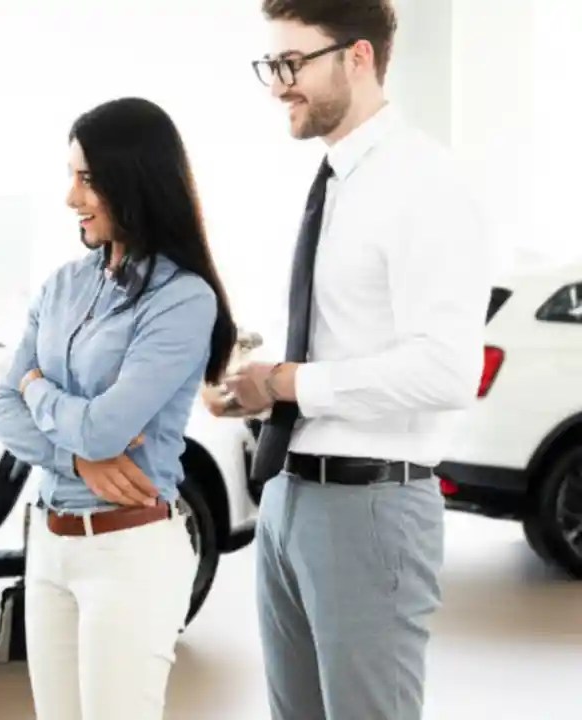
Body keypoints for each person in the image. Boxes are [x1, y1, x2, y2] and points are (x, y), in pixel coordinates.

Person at [225, 2, 495, 718]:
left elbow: (446, 370)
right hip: (288, 495)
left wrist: (293, 383)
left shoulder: (424, 181)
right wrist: (263, 384)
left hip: (370, 506)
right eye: (271, 65)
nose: (279, 84)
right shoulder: (334, 182)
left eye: (292, 63)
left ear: (359, 57)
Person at [0, 97, 237, 720]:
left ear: (136, 181)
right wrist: (77, 459)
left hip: (130, 554)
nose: (71, 197)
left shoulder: (183, 299)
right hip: (48, 543)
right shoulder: (62, 285)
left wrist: (38, 390)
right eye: (71, 176)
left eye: (88, 179)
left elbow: (105, 429)